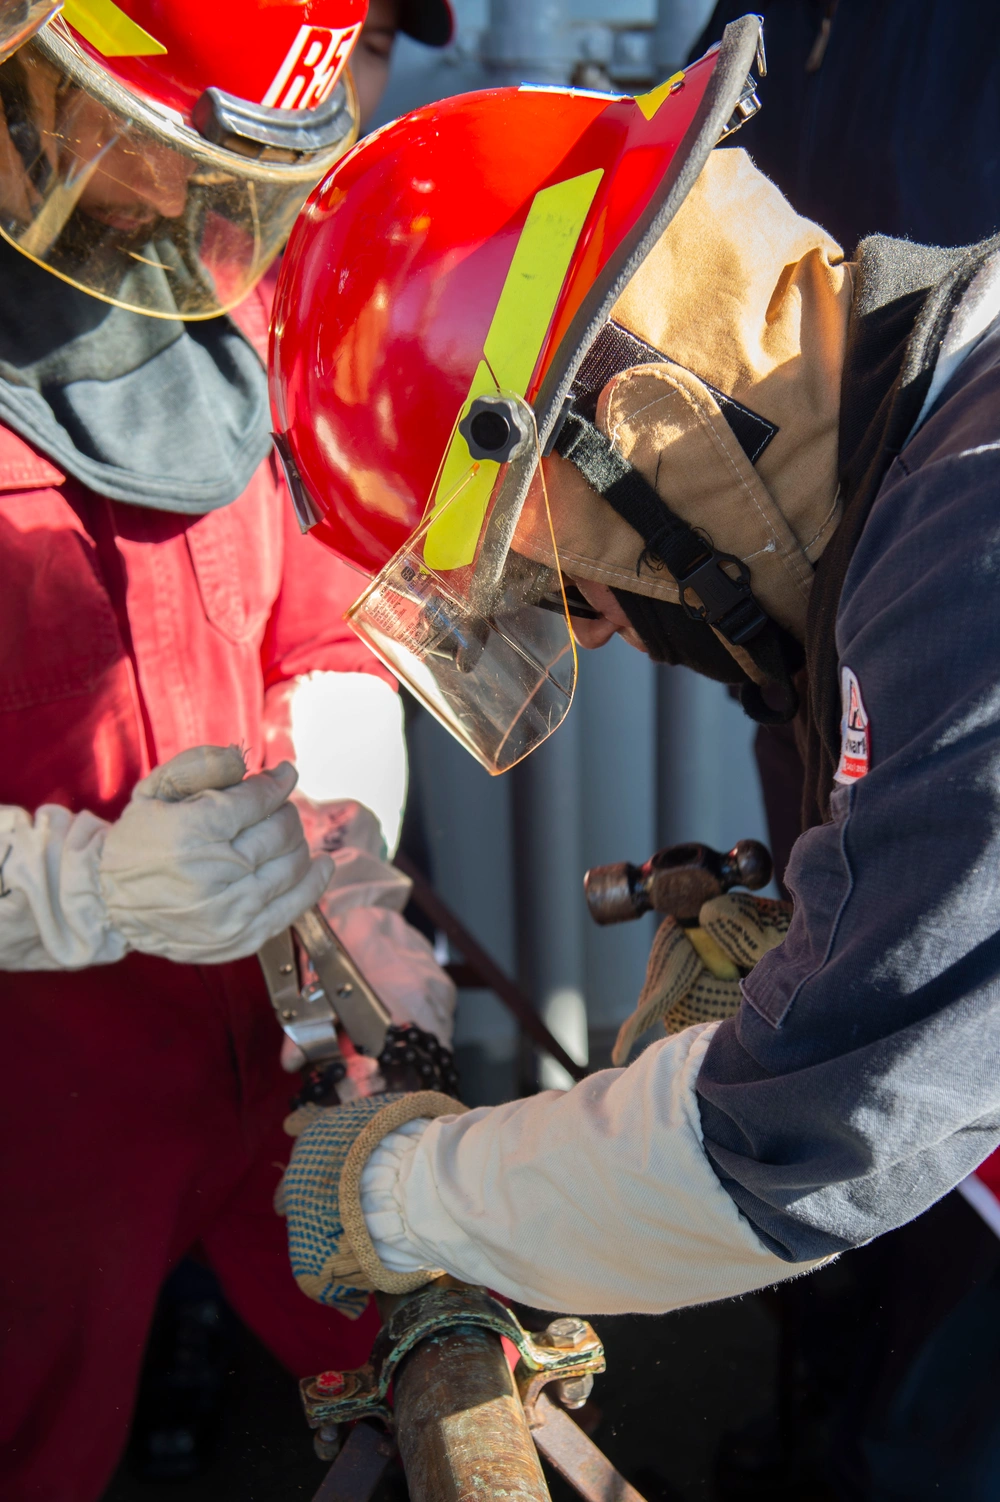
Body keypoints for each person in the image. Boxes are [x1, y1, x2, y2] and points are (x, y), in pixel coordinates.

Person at [266, 7, 1000, 1380]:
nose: (600, 633)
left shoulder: (974, 555)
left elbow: (799, 1143)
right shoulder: (943, 474)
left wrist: (391, 1191)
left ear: (637, 432)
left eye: (562, 584)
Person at [0, 3, 456, 1499]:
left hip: (272, 1033)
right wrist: (76, 892)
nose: (161, 202)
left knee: (430, 1363)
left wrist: (351, 882)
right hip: (32, 1091)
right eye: (137, 145)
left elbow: (319, 625)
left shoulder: (202, 286)